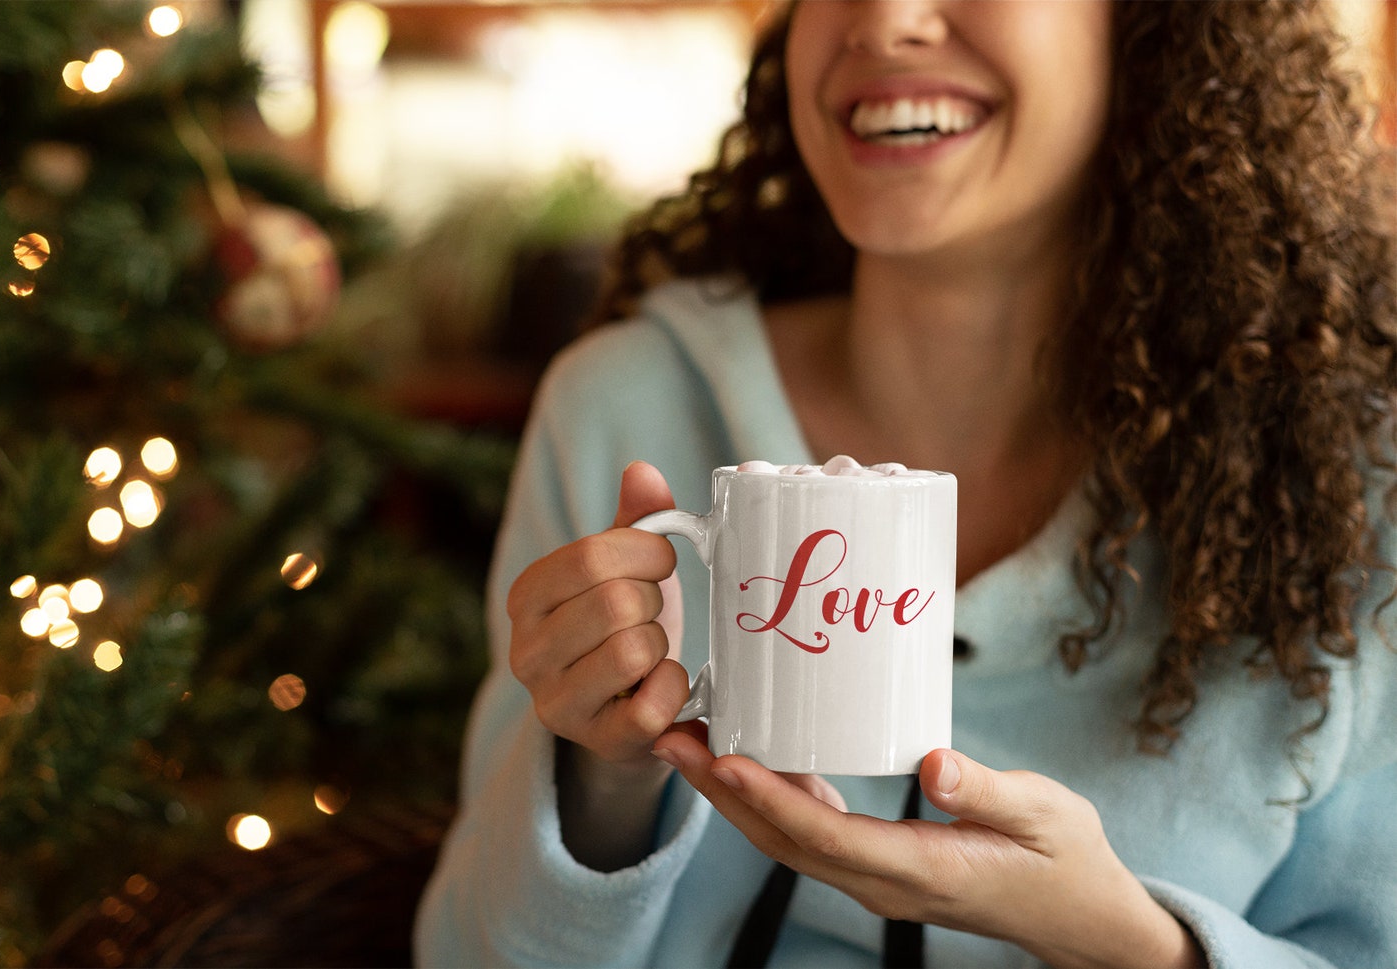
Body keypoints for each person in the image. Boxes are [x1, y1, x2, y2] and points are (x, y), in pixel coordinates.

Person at [414, 1, 1397, 966]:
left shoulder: (1348, 479)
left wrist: (1119, 941)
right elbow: (464, 953)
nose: (883, 21)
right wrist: (600, 777)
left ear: (1152, 27)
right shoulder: (625, 407)